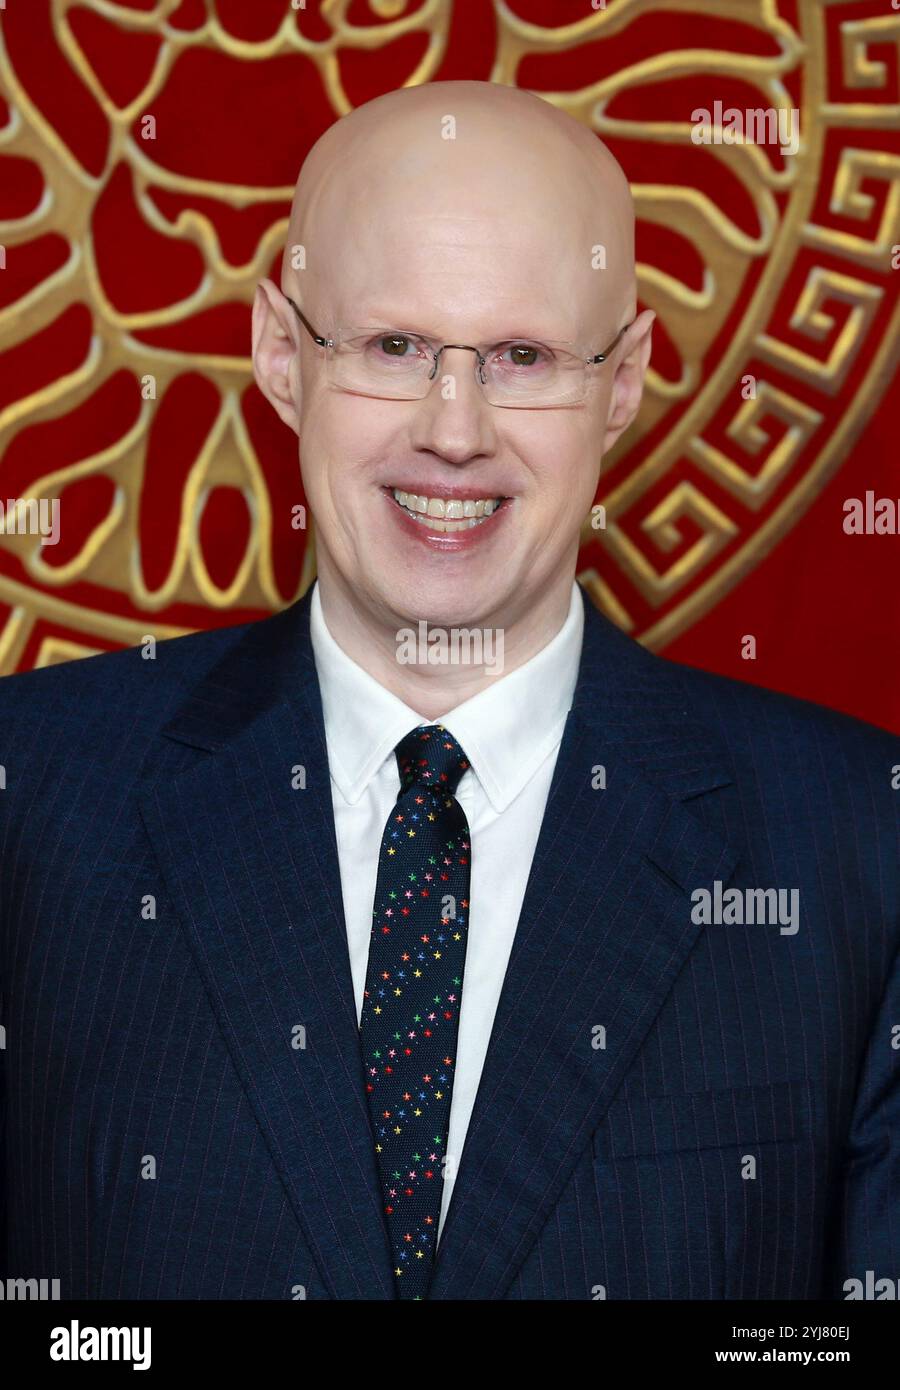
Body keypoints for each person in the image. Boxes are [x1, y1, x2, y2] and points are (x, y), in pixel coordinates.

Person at [0, 80, 896, 1302]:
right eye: (394, 347)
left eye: (523, 356)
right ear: (278, 351)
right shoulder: (34, 801)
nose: (454, 429)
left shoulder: (859, 844)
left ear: (623, 379)